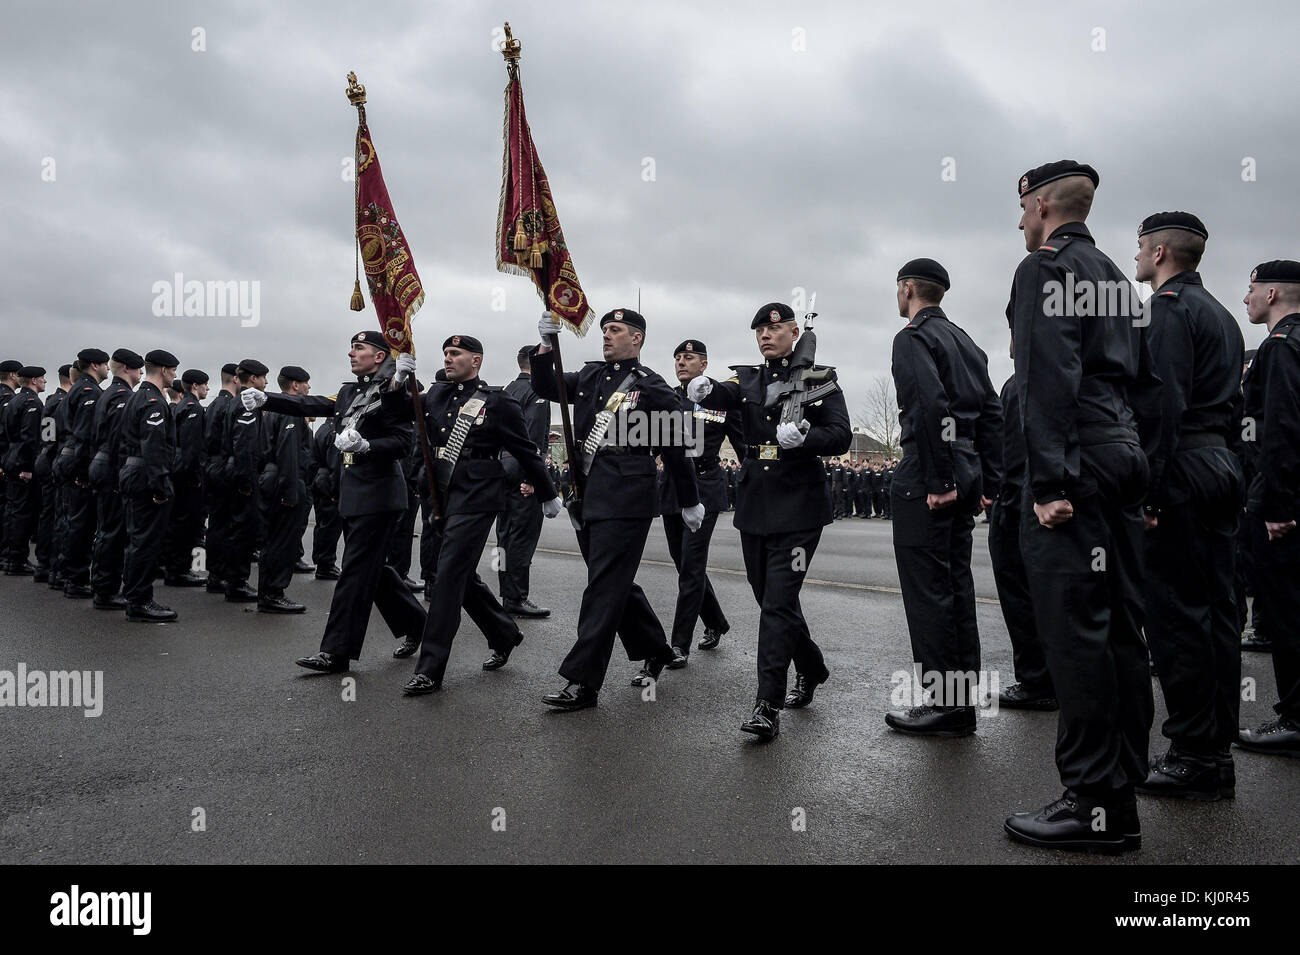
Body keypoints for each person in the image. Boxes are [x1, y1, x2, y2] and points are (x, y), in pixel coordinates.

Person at [1002, 160, 1160, 853]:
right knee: (1122, 632)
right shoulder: (1118, 280)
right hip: (1121, 454)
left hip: (1078, 460)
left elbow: (1045, 378)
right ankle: (1121, 780)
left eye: (1021, 209)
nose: (1019, 222)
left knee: (1076, 636)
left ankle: (1095, 802)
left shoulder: (1046, 267)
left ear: (1040, 204)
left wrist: (1048, 485)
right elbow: (1153, 389)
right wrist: (1141, 475)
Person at [689, 301, 852, 739]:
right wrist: (702, 386)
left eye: (775, 329)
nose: (766, 335)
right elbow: (724, 395)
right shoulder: (746, 379)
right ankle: (812, 666)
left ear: (794, 332)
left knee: (778, 605)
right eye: (760, 329)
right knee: (768, 598)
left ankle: (767, 705)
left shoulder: (819, 379)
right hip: (756, 505)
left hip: (799, 509)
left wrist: (806, 438)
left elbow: (841, 435)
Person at [531, 308, 703, 711]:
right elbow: (546, 386)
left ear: (637, 338)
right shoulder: (589, 376)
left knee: (602, 586)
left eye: (615, 330)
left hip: (628, 495)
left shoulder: (652, 386)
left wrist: (690, 498)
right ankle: (656, 648)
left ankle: (583, 680)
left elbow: (677, 445)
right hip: (588, 491)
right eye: (604, 329)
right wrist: (544, 343)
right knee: (611, 582)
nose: (606, 335)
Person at [1134, 212, 1245, 798]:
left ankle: (1194, 753)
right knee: (1218, 614)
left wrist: (1148, 489)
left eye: (1139, 249)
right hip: (1219, 464)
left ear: (1157, 253)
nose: (1135, 260)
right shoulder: (1223, 315)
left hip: (1181, 470)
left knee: (1177, 618)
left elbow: (1161, 405)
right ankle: (1214, 746)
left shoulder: (1168, 309)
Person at [240, 330, 427, 671]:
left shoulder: (397, 390)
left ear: (380, 355)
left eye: (359, 348)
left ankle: (336, 652)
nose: (351, 354)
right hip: (353, 493)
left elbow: (403, 441)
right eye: (351, 348)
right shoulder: (349, 391)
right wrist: (267, 399)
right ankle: (420, 626)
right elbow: (312, 404)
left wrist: (369, 446)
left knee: (354, 572)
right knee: (375, 570)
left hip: (380, 495)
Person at [390, 337, 561, 695]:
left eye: (456, 354)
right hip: (443, 493)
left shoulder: (497, 402)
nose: (448, 359)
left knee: (448, 577)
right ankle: (503, 633)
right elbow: (397, 411)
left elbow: (525, 450)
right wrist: (395, 383)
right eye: (446, 354)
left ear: (476, 360)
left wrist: (548, 492)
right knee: (461, 575)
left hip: (479, 495)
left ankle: (430, 668)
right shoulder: (436, 395)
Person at [884, 258, 1003, 737]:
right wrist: (989, 482)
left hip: (931, 469)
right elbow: (992, 413)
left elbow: (929, 404)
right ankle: (961, 700)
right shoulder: (967, 342)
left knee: (929, 592)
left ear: (908, 288)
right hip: (969, 463)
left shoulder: (913, 337)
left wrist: (938, 481)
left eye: (898, 289)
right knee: (956, 587)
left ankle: (945, 705)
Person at [1236, 260, 1300, 757]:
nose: (1247, 298)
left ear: (1274, 292)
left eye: (1253, 288)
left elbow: (1280, 430)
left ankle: (1296, 718)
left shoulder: (1279, 349)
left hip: (1284, 505)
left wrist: (1275, 504)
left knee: (1285, 612)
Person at [655, 339, 743, 669]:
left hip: (705, 485)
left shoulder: (719, 400)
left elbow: (742, 444)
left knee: (691, 568)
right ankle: (716, 621)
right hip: (672, 488)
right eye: (677, 357)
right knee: (684, 564)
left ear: (703, 365)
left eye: (688, 357)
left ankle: (679, 645)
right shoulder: (664, 398)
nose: (681, 362)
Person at [987, 347, 1056, 710]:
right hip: (1054, 501)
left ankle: (1036, 680)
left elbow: (1011, 454)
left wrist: (1004, 501)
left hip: (1019, 503)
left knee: (1018, 595)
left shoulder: (1018, 386)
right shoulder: (1064, 378)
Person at [118, 350, 181, 622]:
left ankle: (136, 594)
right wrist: (160, 486)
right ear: (165, 370)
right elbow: (153, 447)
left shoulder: (137, 397)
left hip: (135, 470)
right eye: (174, 371)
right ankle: (139, 600)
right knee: (145, 540)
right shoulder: (153, 401)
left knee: (138, 538)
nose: (175, 376)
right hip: (146, 473)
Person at [496, 345, 554, 618]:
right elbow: (531, 435)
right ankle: (516, 598)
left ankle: (505, 591)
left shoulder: (508, 389)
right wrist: (533, 476)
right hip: (522, 467)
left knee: (504, 535)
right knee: (522, 536)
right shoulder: (537, 389)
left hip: (502, 465)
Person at [88, 348, 144, 610]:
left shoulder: (108, 394)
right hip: (111, 469)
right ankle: (106, 590)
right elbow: (117, 440)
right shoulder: (122, 397)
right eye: (137, 368)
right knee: (113, 531)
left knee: (106, 529)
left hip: (102, 464)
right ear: (125, 368)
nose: (141, 373)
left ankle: (103, 586)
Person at [255, 366, 312, 613]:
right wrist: (291, 491)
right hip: (285, 478)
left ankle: (268, 592)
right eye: (306, 384)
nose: (309, 388)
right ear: (295, 385)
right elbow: (288, 451)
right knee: (282, 540)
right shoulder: (290, 409)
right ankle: (273, 593)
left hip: (273, 477)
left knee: (272, 539)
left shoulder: (274, 408)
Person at [57, 348, 110, 599]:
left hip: (68, 458)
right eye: (105, 364)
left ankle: (66, 574)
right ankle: (76, 578)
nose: (108, 368)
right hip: (77, 461)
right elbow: (85, 435)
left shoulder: (77, 388)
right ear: (95, 365)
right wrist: (83, 471)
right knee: (81, 524)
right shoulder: (89, 391)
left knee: (71, 520)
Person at [222, 359, 268, 603]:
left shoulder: (235, 402)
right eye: (263, 378)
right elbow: (245, 446)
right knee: (243, 531)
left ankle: (233, 581)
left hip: (236, 472)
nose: (266, 382)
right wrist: (247, 481)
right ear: (253, 379)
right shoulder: (246, 405)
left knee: (237, 530)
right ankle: (236, 584)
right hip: (243, 475)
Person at [163, 369, 209, 587]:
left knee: (176, 522)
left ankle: (175, 567)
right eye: (205, 385)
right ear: (195, 386)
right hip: (186, 472)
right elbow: (191, 446)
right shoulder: (193, 409)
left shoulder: (181, 406)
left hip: (176, 468)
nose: (207, 388)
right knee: (186, 524)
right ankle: (179, 570)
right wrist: (194, 476)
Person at [2, 366, 47, 574]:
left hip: (11, 457)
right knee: (22, 513)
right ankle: (17, 559)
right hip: (22, 461)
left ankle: (11, 556)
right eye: (42, 378)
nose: (45, 382)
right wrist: (28, 467)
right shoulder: (32, 402)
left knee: (12, 510)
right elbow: (30, 438)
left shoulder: (14, 401)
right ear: (34, 380)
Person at [203, 362, 239, 594]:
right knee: (227, 524)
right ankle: (221, 573)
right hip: (223, 467)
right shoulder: (228, 405)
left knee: (216, 523)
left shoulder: (214, 403)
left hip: (211, 465)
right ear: (236, 379)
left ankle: (214, 573)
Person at [35, 364, 72, 584]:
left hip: (47, 457)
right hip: (56, 459)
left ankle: (44, 563)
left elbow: (47, 435)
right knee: (58, 514)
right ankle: (53, 565)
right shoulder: (64, 402)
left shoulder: (50, 401)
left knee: (48, 513)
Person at [309, 415, 342, 578]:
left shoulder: (322, 429)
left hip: (320, 477)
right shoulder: (334, 432)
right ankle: (325, 564)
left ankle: (322, 561)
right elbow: (335, 463)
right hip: (329, 479)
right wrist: (336, 490)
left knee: (322, 523)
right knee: (330, 524)